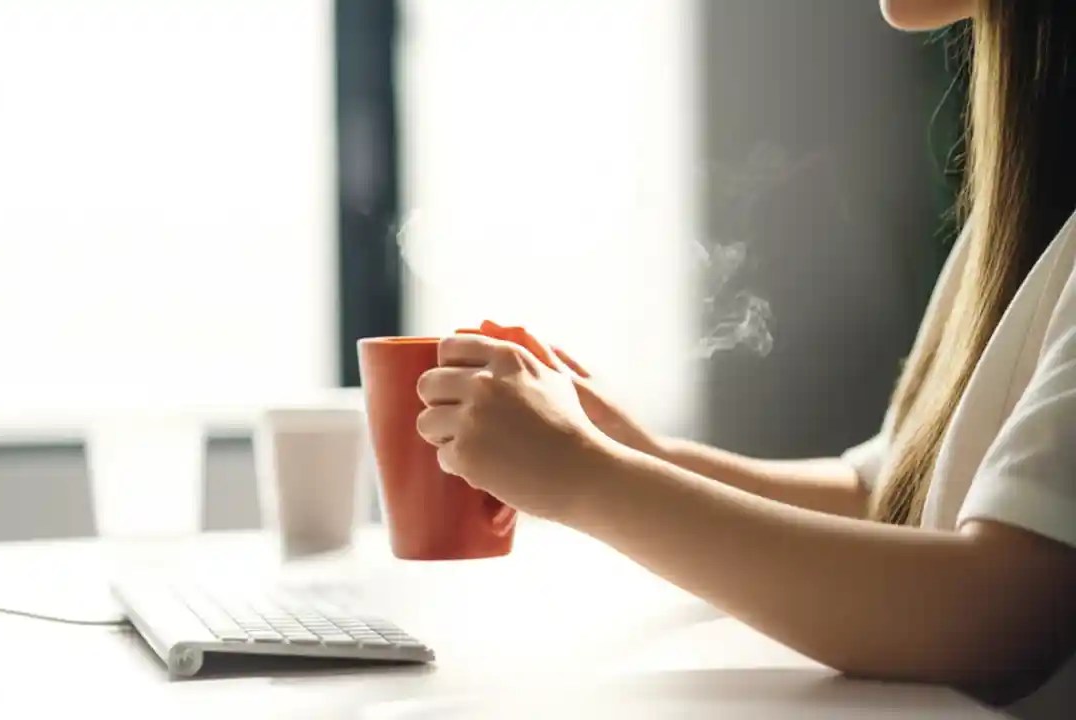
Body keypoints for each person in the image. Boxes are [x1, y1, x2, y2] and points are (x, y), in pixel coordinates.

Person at [414, 0, 1076, 715]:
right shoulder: (1021, 211)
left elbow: (996, 615)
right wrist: (637, 450)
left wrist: (587, 477)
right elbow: (886, 499)